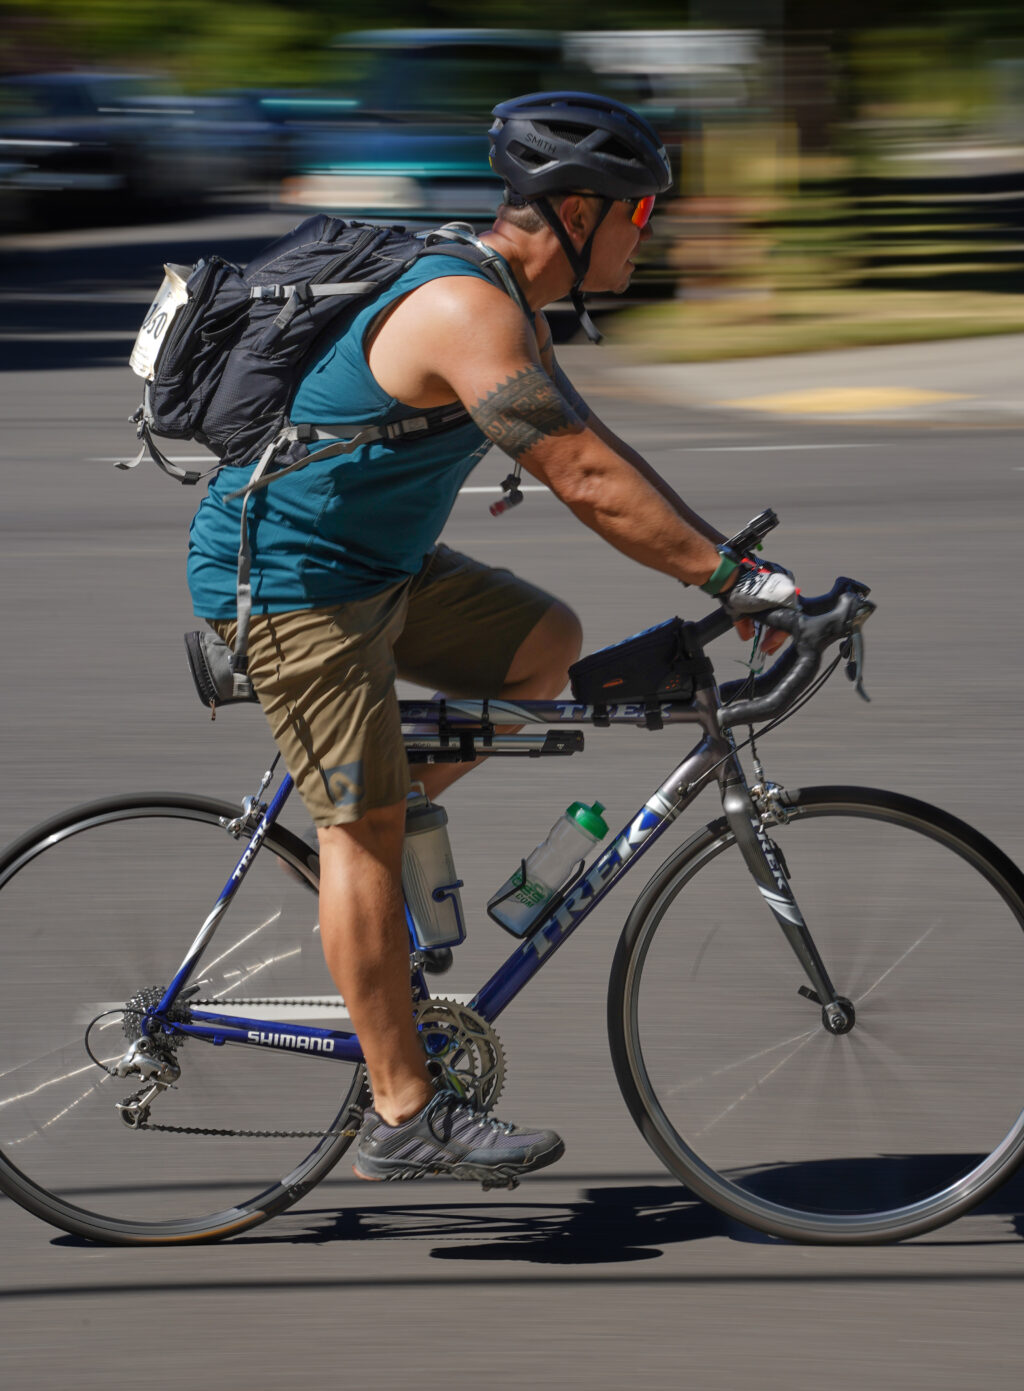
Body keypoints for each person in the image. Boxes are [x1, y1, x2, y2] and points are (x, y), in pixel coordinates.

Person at [186, 91, 799, 1188]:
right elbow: (585, 478)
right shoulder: (467, 307)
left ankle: (381, 825)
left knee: (543, 643)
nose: (644, 231)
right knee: (362, 831)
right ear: (577, 210)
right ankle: (402, 1110)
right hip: (292, 583)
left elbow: (591, 448)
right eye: (638, 211)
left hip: (377, 569)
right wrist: (734, 578)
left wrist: (728, 567)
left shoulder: (502, 291)